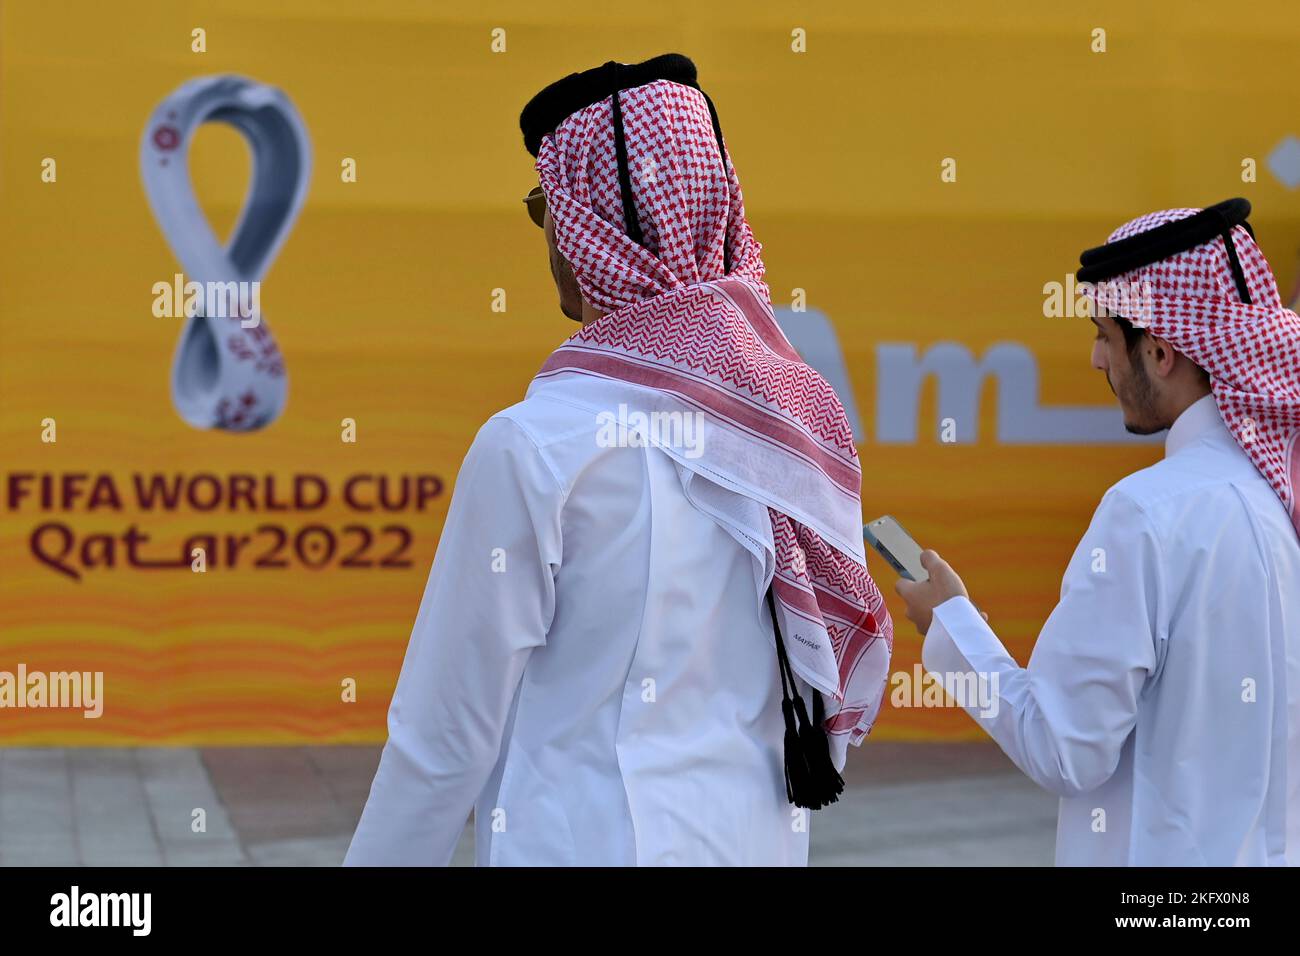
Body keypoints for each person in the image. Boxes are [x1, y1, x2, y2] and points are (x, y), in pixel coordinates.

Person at [343, 54, 892, 867]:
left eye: (546, 210)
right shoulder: (796, 420)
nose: (551, 241)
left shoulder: (536, 443)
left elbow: (443, 740)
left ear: (590, 227)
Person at [897, 198, 1300, 865]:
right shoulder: (1281, 503)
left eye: (1104, 336)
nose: (1094, 360)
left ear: (1160, 350)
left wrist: (952, 624)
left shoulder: (1145, 514)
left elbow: (1064, 750)